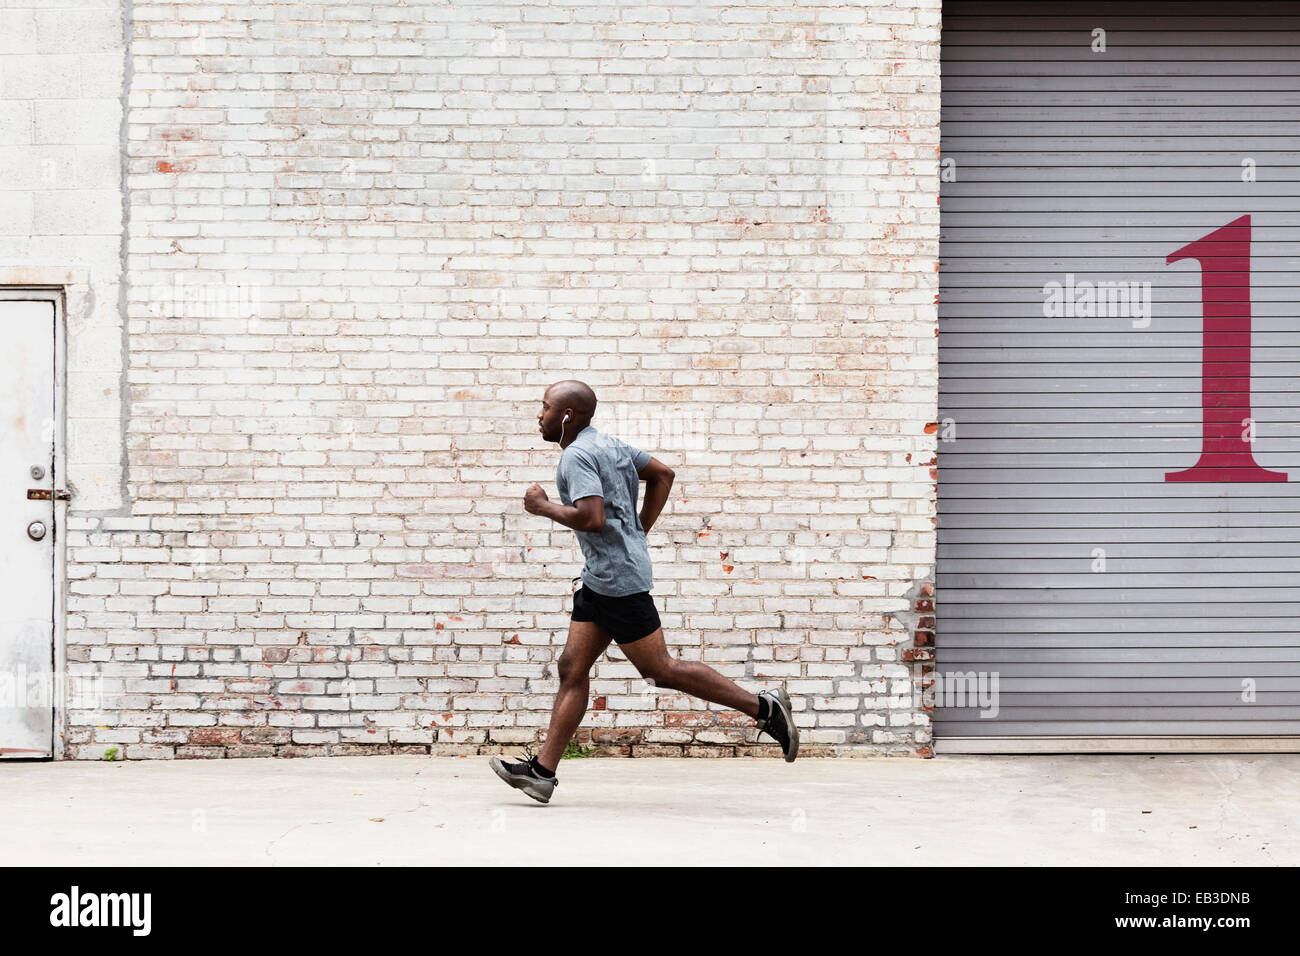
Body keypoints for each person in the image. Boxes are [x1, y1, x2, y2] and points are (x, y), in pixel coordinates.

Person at [490, 379, 798, 804]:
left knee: (661, 670)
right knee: (571, 670)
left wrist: (543, 507)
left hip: (618, 584)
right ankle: (542, 773)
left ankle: (763, 710)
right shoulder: (610, 444)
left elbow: (591, 517)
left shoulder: (577, 455)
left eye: (543, 408)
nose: (537, 416)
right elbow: (663, 473)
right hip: (602, 579)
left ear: (566, 417)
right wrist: (639, 530)